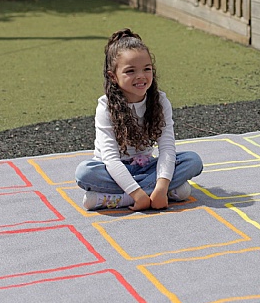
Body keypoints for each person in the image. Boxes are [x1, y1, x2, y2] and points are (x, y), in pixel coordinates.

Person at [75, 29, 203, 210]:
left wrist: (161, 185)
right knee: (85, 172)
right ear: (113, 76)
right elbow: (110, 159)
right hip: (111, 171)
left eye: (147, 69)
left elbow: (167, 148)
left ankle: (126, 197)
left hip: (147, 166)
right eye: (130, 71)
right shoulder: (106, 106)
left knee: (192, 160)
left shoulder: (159, 101)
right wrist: (137, 193)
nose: (141, 76)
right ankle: (142, 195)